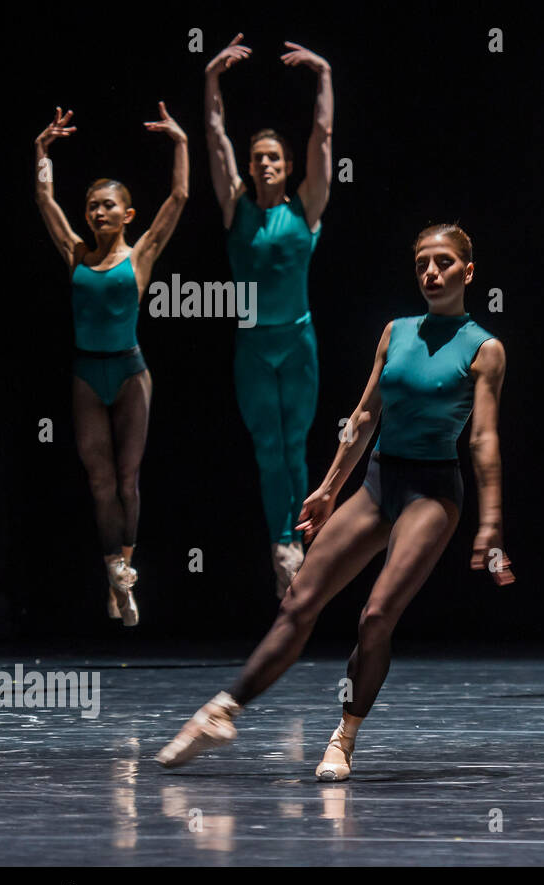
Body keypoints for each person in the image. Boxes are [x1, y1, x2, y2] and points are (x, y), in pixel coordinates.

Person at [156, 223, 514, 781]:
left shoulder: (484, 349)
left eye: (444, 262)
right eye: (422, 262)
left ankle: (344, 737)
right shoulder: (395, 331)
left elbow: (484, 439)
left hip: (433, 493)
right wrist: (328, 488)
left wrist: (489, 522)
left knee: (375, 617)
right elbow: (365, 415)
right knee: (299, 602)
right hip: (378, 482)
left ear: (468, 272)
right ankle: (222, 712)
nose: (431, 272)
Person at [34, 103, 189, 625]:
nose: (97, 213)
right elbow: (43, 199)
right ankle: (113, 576)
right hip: (86, 374)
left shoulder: (139, 255)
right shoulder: (76, 254)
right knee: (99, 483)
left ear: (126, 214)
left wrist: (180, 143)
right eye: (91, 206)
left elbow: (180, 197)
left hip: (129, 372)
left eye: (107, 206)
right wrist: (41, 154)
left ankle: (128, 569)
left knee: (128, 480)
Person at [205, 33, 334, 595]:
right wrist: (210, 80)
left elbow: (323, 138)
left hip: (298, 338)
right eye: (257, 157)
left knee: (295, 445)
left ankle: (295, 545)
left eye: (273, 157)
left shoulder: (306, 207)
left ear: (285, 166)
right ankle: (279, 544)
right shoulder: (236, 208)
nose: (263, 163)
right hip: (253, 344)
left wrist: (324, 76)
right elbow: (214, 139)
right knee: (267, 449)